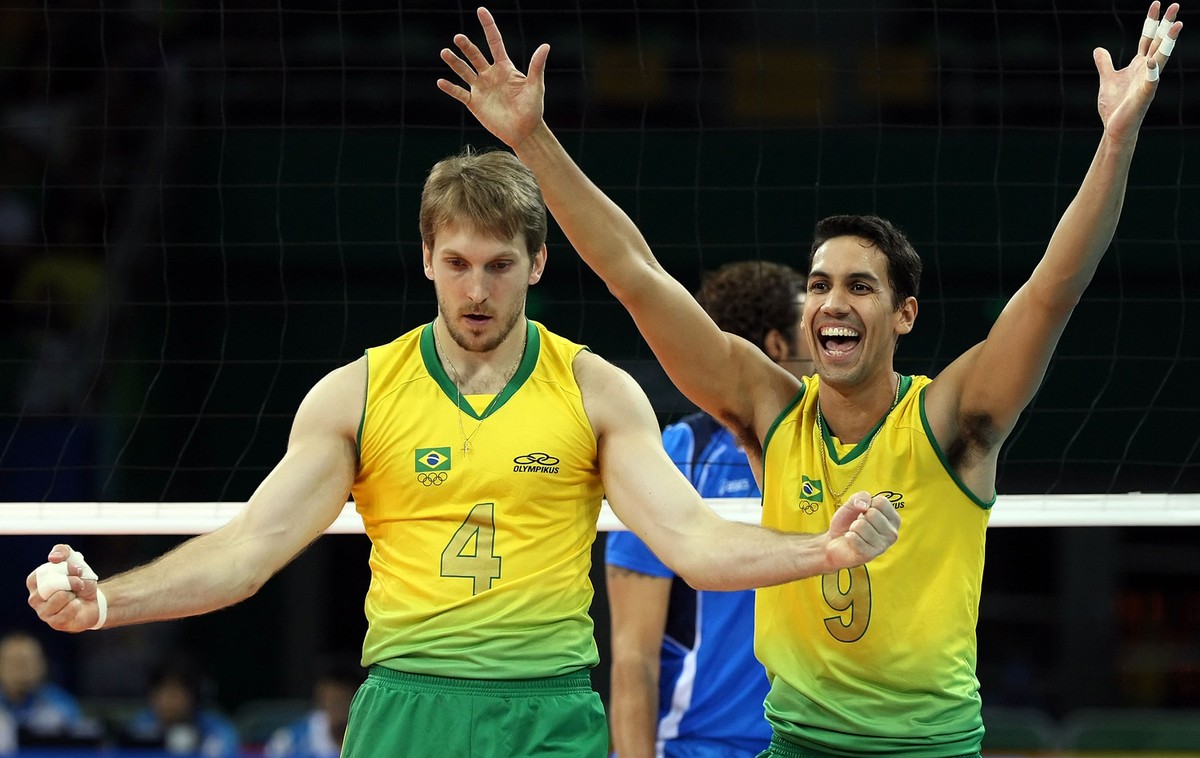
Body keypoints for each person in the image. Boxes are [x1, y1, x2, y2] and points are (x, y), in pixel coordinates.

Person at [437, 3, 1182, 755]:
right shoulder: (771, 412)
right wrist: (531, 139)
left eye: (861, 287)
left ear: (904, 316)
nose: (832, 301)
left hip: (929, 748)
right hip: (792, 742)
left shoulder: (952, 419)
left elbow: (1052, 292)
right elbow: (637, 277)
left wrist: (1115, 142)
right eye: (821, 285)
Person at [26, 147, 900, 755]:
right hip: (408, 704)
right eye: (458, 263)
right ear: (426, 259)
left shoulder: (597, 391)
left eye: (499, 265)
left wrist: (821, 550)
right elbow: (250, 551)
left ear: (539, 263)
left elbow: (693, 543)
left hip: (549, 710)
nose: (477, 289)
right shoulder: (356, 394)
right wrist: (104, 602)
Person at [605, 261, 810, 758]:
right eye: (809, 325)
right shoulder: (680, 453)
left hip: (809, 743)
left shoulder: (834, 453)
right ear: (778, 347)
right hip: (693, 746)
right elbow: (634, 655)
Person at [119, 655, 241, 758]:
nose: (167, 700)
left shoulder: (218, 729)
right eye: (162, 692)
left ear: (193, 696)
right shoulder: (139, 727)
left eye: (175, 693)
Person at [263, 653, 365, 758]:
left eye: (343, 700)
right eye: (332, 701)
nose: (337, 709)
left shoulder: (370, 739)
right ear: (321, 698)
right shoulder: (287, 743)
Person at [0, 631, 84, 742]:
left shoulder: (62, 706)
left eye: (27, 662)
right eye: (14, 662)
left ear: (42, 665)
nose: (20, 669)